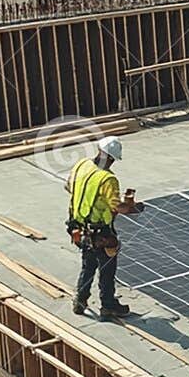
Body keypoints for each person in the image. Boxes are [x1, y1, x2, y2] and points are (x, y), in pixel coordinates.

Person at [66, 135, 141, 321]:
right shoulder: (108, 179)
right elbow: (118, 207)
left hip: (79, 228)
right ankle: (108, 306)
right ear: (111, 157)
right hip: (101, 233)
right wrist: (134, 207)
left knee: (88, 265)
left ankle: (80, 301)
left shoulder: (82, 165)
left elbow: (68, 186)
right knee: (107, 268)